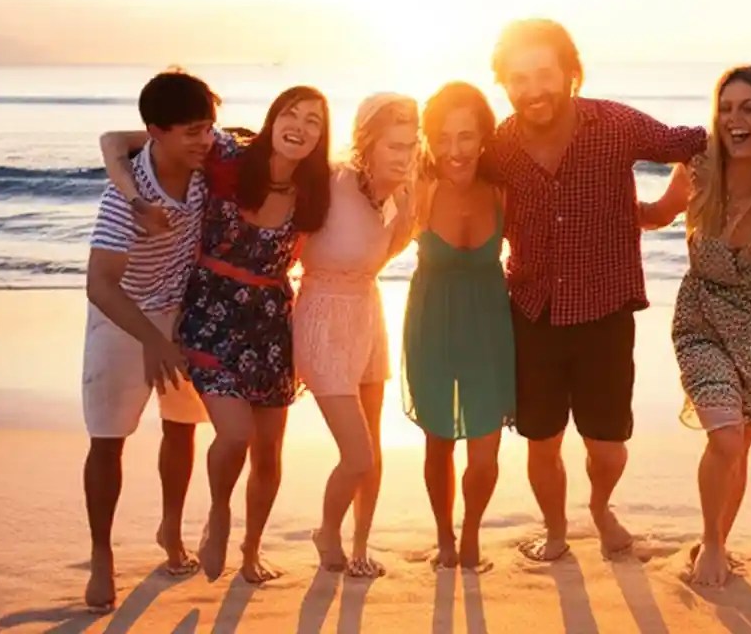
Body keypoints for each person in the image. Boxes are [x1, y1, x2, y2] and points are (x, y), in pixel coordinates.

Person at [484, 18, 709, 561]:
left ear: (570, 73)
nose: (533, 89)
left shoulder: (616, 124)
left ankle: (601, 505)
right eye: (519, 78)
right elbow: (445, 172)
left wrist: (672, 206)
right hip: (531, 312)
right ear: (505, 84)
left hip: (605, 312)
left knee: (607, 447)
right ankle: (556, 530)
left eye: (544, 73)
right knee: (542, 440)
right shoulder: (499, 147)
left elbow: (696, 143)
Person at [99, 86, 333, 583]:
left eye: (314, 120)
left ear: (322, 136)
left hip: (270, 323)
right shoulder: (227, 155)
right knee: (236, 433)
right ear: (272, 119)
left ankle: (251, 552)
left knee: (270, 453)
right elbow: (115, 140)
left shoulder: (318, 189)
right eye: (292, 113)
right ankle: (220, 514)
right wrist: (137, 199)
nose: (301, 126)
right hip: (209, 313)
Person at [638, 66, 751, 586]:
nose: (735, 119)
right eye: (726, 108)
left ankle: (719, 543)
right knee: (726, 439)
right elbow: (656, 215)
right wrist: (599, 188)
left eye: (748, 108)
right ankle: (710, 544)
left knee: (740, 445)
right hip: (702, 316)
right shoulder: (698, 166)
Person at [82, 70, 214, 612]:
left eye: (209, 127)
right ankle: (100, 555)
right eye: (192, 131)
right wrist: (151, 342)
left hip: (181, 313)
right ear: (156, 133)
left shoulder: (210, 163)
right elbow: (100, 285)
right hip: (121, 319)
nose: (206, 140)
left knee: (182, 428)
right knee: (108, 440)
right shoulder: (125, 200)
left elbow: (115, 139)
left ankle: (171, 530)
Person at [302, 93, 418, 579]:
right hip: (321, 318)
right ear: (368, 140)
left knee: (373, 445)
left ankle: (361, 543)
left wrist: (407, 202)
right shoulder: (329, 180)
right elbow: (290, 240)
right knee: (358, 452)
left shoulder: (400, 192)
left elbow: (383, 255)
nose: (405, 156)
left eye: (412, 146)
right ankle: (327, 531)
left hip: (368, 315)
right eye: (394, 145)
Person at [401, 81, 514, 571]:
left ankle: (472, 533)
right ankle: (446, 537)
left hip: (489, 326)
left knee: (485, 451)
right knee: (439, 439)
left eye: (466, 136)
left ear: (484, 136)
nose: (454, 150)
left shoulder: (503, 191)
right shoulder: (419, 188)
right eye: (443, 137)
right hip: (432, 324)